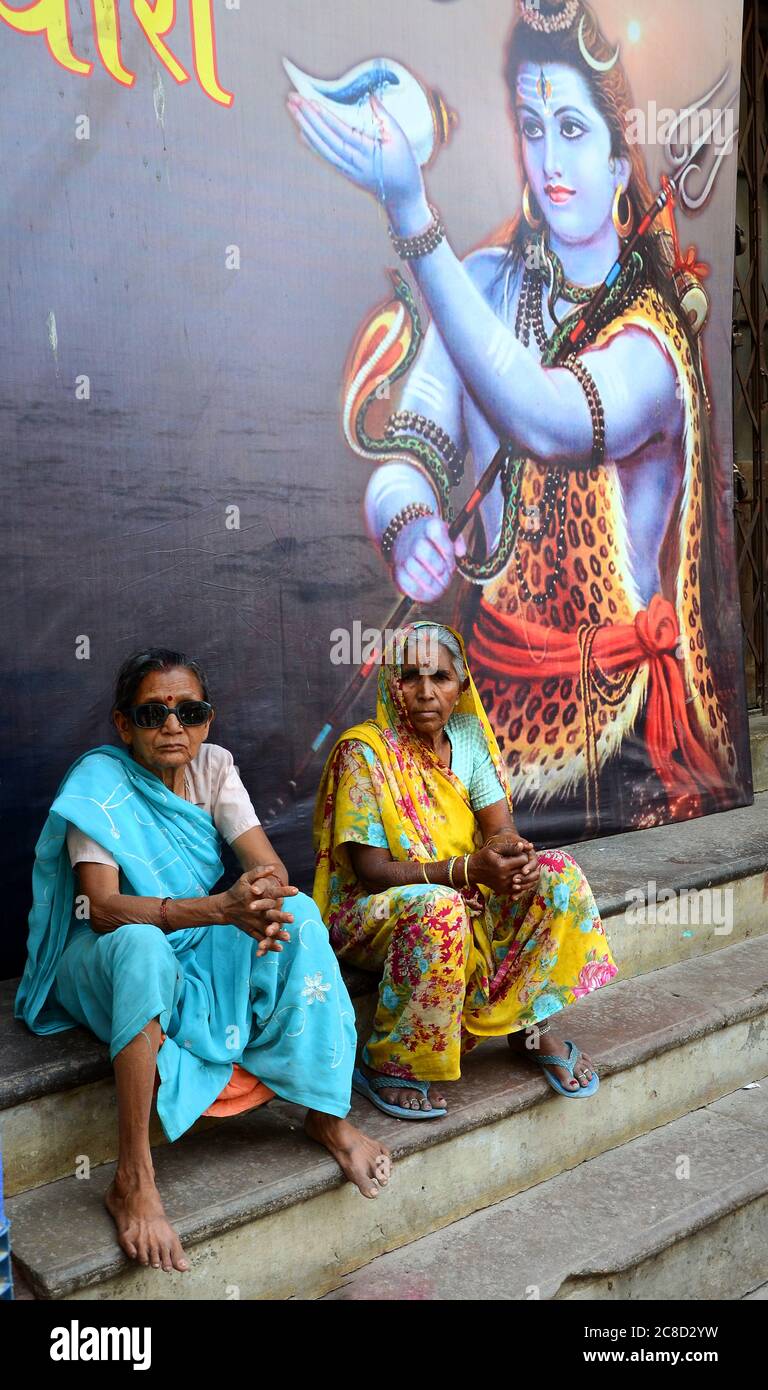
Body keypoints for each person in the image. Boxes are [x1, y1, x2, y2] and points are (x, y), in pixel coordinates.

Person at [288, 0, 741, 839]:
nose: (551, 159)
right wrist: (409, 520)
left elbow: (544, 417)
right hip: (482, 705)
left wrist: (412, 217)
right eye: (532, 127)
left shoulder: (654, 332)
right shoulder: (487, 280)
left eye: (573, 128)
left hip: (616, 741)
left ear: (617, 162)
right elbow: (411, 447)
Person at [16, 648, 390, 1273]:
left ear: (207, 722)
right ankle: (132, 1178)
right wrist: (222, 910)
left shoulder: (214, 767)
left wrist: (262, 900)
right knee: (140, 947)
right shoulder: (100, 786)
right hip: (107, 951)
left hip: (186, 930)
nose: (172, 727)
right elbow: (102, 911)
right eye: (153, 713)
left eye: (189, 712)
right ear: (122, 723)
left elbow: (266, 867)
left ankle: (326, 1116)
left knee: (297, 915)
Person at [313, 622, 617, 1119]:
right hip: (374, 910)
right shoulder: (364, 752)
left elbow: (499, 826)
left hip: (461, 887)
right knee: (440, 908)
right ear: (393, 684)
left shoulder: (469, 736)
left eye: (441, 677)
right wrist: (464, 871)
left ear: (462, 685)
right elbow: (371, 872)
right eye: (411, 676)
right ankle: (391, 1062)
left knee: (554, 874)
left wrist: (511, 857)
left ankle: (529, 1026)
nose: (426, 691)